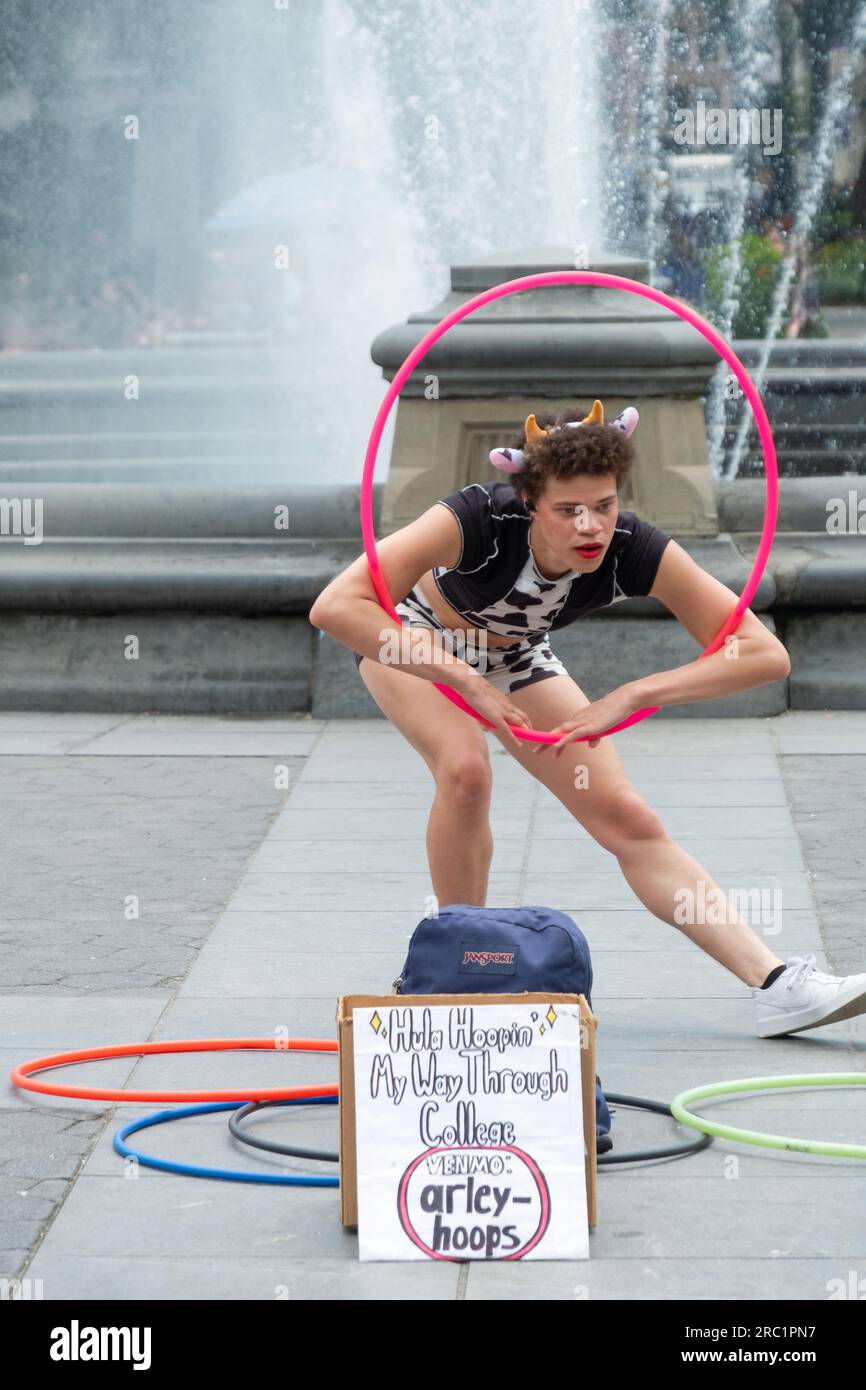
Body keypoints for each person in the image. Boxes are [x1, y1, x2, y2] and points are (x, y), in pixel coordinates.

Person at [309, 400, 866, 1040]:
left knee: (628, 816)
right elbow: (337, 605)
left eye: (602, 505)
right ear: (528, 501)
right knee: (466, 771)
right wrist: (461, 678)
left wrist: (635, 693)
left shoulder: (634, 547)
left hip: (515, 654)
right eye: (567, 510)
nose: (590, 527)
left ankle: (777, 985)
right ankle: (449, 978)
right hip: (415, 638)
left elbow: (763, 653)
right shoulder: (475, 518)